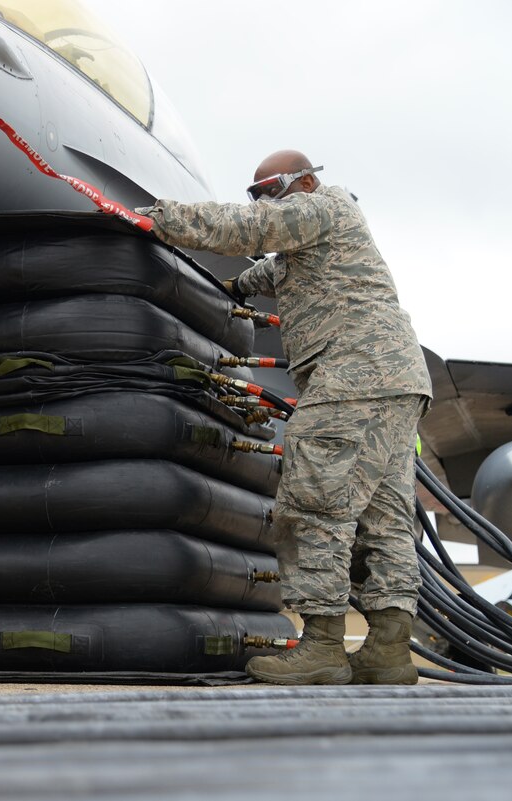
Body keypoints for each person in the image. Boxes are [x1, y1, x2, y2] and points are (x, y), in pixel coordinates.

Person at [135, 151, 432, 685]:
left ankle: (320, 647)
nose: (264, 202)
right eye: (257, 194)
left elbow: (253, 229)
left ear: (306, 181)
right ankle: (389, 650)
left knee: (311, 501)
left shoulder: (324, 206)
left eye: (270, 190)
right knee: (383, 520)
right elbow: (263, 273)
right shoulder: (306, 251)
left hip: (356, 373)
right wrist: (231, 290)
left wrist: (161, 218)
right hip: (397, 379)